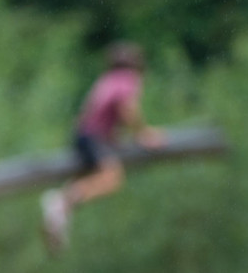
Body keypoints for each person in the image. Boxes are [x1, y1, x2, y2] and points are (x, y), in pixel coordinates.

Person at [41, 41, 165, 252]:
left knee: (87, 179)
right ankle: (61, 201)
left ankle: (59, 218)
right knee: (111, 178)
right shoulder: (128, 78)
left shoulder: (107, 79)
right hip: (93, 137)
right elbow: (126, 108)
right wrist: (144, 134)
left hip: (83, 135)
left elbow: (99, 112)